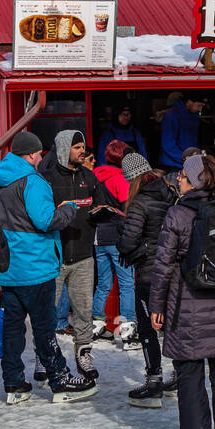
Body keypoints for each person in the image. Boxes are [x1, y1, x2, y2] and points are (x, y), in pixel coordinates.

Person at [150, 154, 215, 429]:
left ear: (193, 179)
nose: (178, 178)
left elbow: (164, 264)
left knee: (190, 376)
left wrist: (157, 305)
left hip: (187, 304)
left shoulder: (178, 214)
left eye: (182, 174)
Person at [0, 131, 92, 406]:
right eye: (39, 153)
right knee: (44, 328)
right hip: (35, 265)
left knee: (13, 328)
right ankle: (60, 381)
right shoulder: (32, 181)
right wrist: (68, 209)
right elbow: (45, 220)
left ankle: (13, 384)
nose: (40, 157)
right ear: (32, 154)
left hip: (8, 267)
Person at [39, 129, 109, 380]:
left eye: (83, 147)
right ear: (64, 148)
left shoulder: (89, 177)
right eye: (77, 147)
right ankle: (43, 356)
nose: (83, 151)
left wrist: (102, 213)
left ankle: (84, 353)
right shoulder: (46, 178)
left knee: (83, 310)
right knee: (46, 311)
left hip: (83, 255)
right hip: (53, 257)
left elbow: (103, 204)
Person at [118, 153, 178, 405]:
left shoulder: (140, 202)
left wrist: (126, 246)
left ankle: (154, 380)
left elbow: (128, 240)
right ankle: (179, 375)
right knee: (172, 324)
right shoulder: (172, 193)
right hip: (173, 269)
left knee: (147, 327)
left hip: (148, 272)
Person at [91, 139, 135, 342]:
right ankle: (128, 329)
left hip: (99, 235)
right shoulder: (121, 179)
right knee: (127, 284)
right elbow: (127, 210)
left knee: (103, 284)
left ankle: (97, 325)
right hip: (117, 235)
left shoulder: (94, 176)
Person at [159, 94, 204, 169]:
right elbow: (167, 144)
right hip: (173, 164)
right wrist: (185, 158)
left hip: (188, 162)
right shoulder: (171, 115)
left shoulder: (193, 115)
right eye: (199, 105)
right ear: (189, 102)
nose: (200, 109)